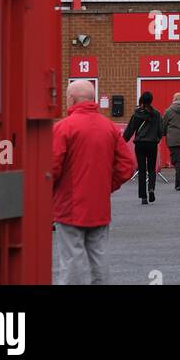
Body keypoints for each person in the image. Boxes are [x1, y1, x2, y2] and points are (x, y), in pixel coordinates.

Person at [52, 79, 135, 285]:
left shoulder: (63, 128)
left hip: (69, 205)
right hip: (99, 205)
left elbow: (51, 167)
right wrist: (107, 185)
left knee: (72, 259)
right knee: (100, 257)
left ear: (71, 99)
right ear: (93, 99)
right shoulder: (109, 127)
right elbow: (128, 164)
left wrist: (50, 193)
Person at [124, 91, 164, 203]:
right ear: (151, 101)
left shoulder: (137, 114)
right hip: (152, 144)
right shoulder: (156, 114)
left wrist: (122, 142)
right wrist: (157, 138)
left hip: (140, 144)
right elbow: (161, 130)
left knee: (141, 170)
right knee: (152, 169)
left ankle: (143, 196)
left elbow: (130, 130)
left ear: (141, 100)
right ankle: (151, 189)